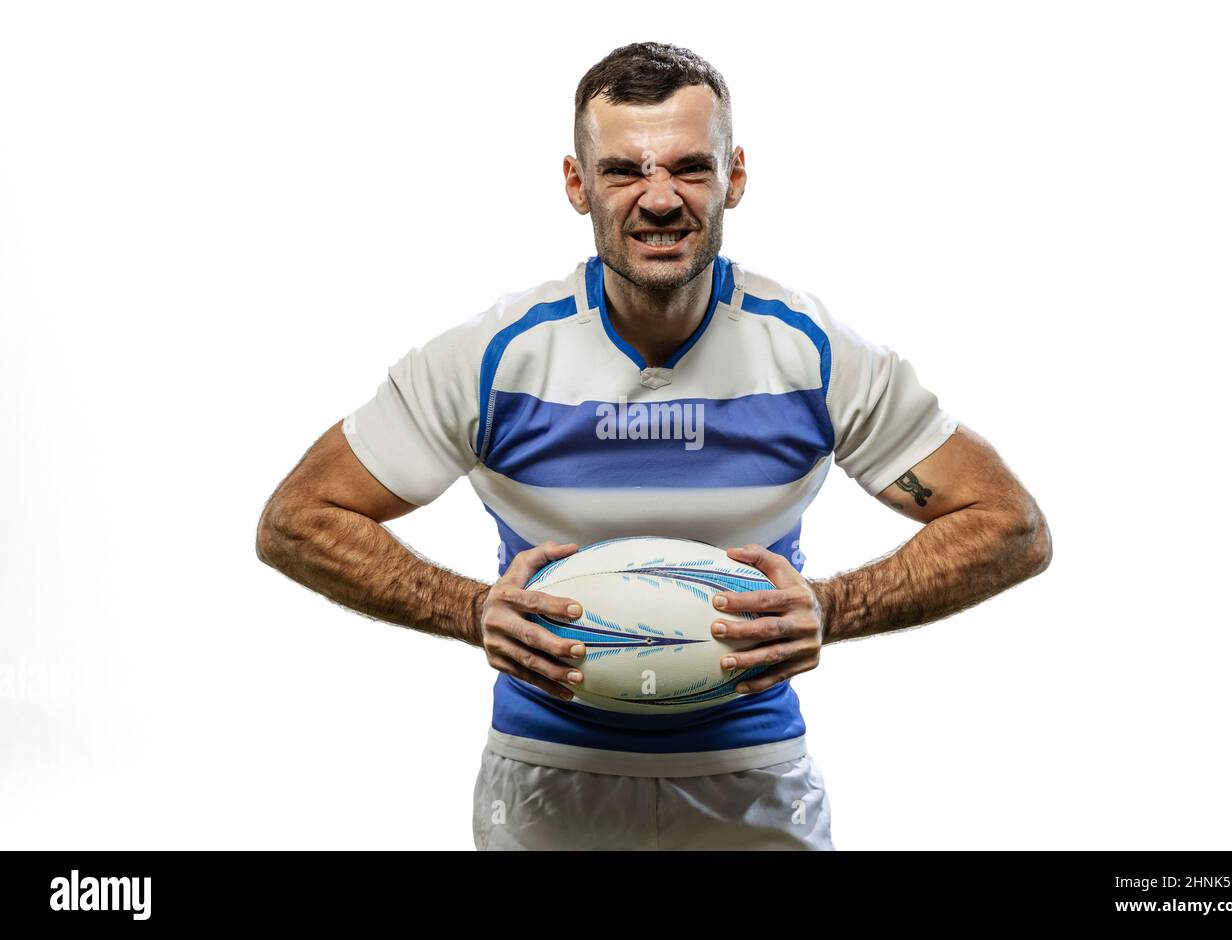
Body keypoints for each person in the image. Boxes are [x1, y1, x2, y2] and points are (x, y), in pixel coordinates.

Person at [255, 41, 1052, 851]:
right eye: (625, 171)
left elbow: (1010, 526)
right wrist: (469, 610)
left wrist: (831, 608)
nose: (660, 198)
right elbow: (297, 519)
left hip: (754, 778)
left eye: (690, 168)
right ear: (577, 183)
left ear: (735, 177)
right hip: (546, 782)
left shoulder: (808, 353)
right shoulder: (497, 357)